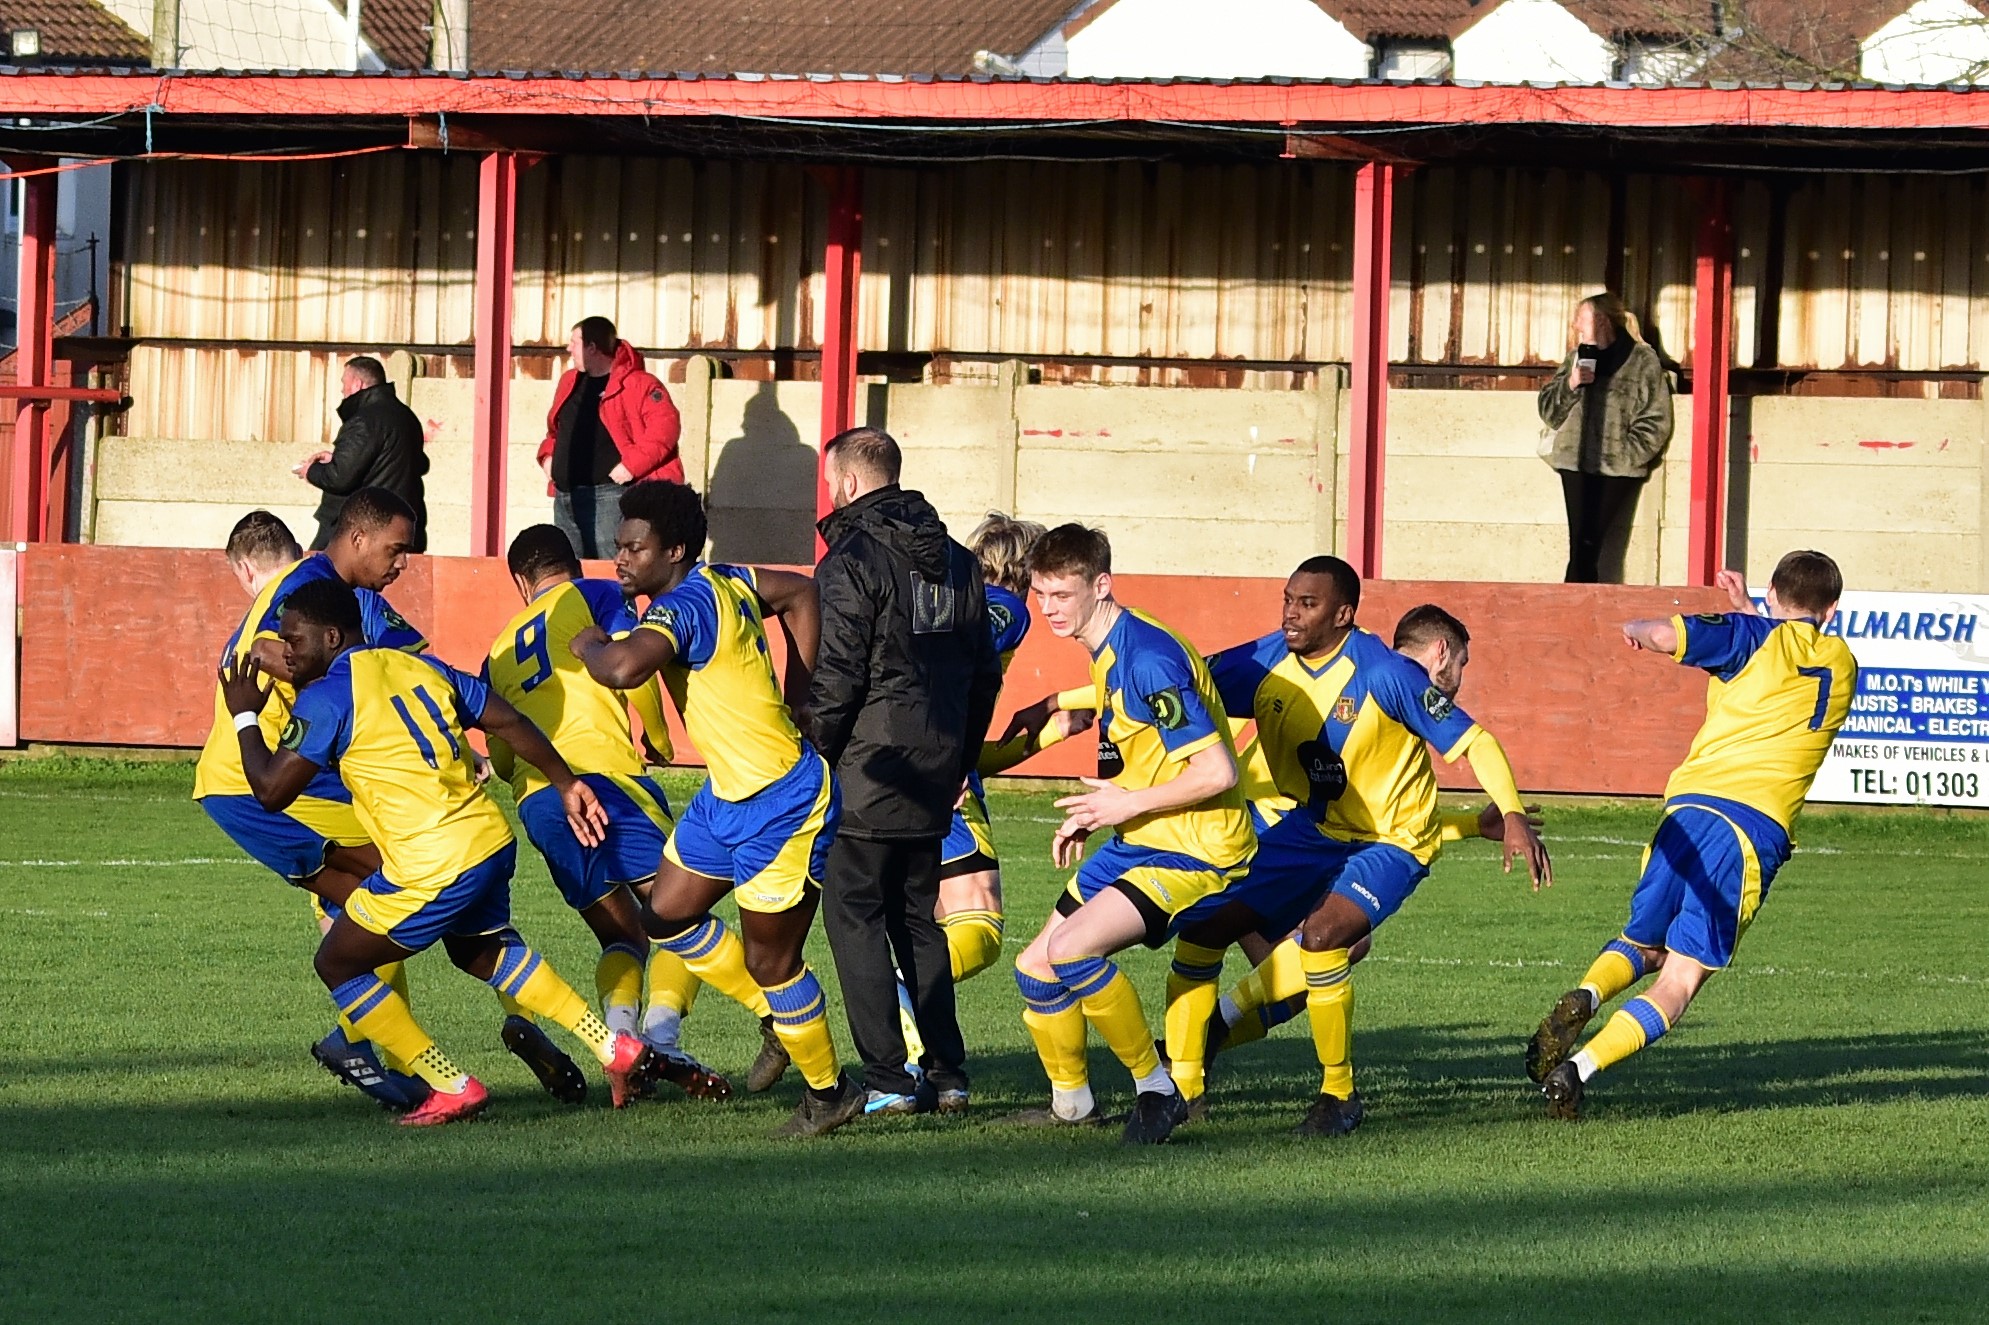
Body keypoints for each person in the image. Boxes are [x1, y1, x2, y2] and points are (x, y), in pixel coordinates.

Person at [221, 577, 649, 1127]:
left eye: (294, 641)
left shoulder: (328, 698)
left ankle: (451, 1085)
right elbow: (509, 721)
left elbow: (270, 791)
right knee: (479, 952)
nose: (287, 653)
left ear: (331, 637)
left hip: (433, 861)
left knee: (337, 962)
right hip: (487, 840)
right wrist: (565, 782)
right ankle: (612, 1046)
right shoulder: (423, 668)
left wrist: (244, 714)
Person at [1166, 587, 1550, 1136]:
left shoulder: (1386, 677)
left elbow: (1456, 759)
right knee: (1214, 928)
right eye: (1289, 600)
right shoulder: (1281, 662)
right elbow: (1176, 683)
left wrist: (1505, 815)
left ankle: (1332, 1093)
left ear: (1342, 614)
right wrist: (1088, 703)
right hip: (1294, 828)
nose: (1292, 612)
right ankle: (1181, 1083)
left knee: (1326, 941)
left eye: (1307, 602)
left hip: (1357, 840)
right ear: (1443, 651)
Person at [571, 480, 865, 1137]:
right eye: (618, 546)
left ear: (674, 551)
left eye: (634, 548)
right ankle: (780, 1019)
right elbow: (800, 592)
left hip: (784, 804)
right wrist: (802, 693)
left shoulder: (683, 608)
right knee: (664, 914)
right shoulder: (728, 579)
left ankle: (830, 1093)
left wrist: (587, 644)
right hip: (726, 796)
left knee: (773, 962)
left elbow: (620, 669)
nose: (620, 558)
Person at [1527, 550, 1855, 1119]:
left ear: (1772, 593)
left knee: (1644, 943)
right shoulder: (1843, 662)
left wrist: (1636, 628)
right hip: (1751, 829)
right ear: (1831, 609)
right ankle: (1578, 1070)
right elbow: (1784, 647)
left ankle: (1589, 993)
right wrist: (1748, 609)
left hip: (1687, 812)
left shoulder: (1747, 636)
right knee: (1680, 979)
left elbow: (1666, 634)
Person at [486, 524, 781, 1105]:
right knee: (678, 911)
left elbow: (499, 753)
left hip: (540, 801)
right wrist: (660, 736)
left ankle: (623, 1043)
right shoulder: (592, 593)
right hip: (606, 781)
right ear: (573, 563)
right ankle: (757, 1019)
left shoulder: (496, 650)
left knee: (623, 933)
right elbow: (630, 664)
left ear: (521, 580)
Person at [1005, 523, 1255, 1145]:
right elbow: (1141, 751)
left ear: (1101, 585)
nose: (1048, 608)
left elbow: (1217, 771)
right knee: (1035, 968)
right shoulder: (1110, 646)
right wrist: (1096, 812)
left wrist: (1126, 804)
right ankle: (1072, 1106)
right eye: (1040, 593)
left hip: (1196, 849)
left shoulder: (1147, 658)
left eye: (1062, 594)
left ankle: (1157, 1089)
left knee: (1070, 951)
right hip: (1142, 837)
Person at [192, 499, 430, 1111]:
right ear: (358, 538)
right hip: (259, 781)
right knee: (395, 887)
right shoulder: (308, 586)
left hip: (291, 778)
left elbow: (405, 661)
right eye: (396, 549)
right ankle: (375, 1047)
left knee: (380, 894)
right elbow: (262, 652)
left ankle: (379, 1052)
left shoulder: (336, 590)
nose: (402, 563)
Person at [802, 429, 1003, 1117]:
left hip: (871, 766)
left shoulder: (850, 560)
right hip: (934, 768)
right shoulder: (958, 560)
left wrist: (814, 755)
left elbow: (838, 676)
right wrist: (959, 757)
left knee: (853, 912)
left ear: (849, 483)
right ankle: (947, 1073)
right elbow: (984, 674)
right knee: (917, 918)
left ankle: (888, 1075)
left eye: (831, 483)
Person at [1537, 293, 1672, 584]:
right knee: (1582, 547)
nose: (1575, 325)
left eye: (1581, 318)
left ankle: (1574, 604)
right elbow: (1548, 411)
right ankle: (1579, 604)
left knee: (1588, 547)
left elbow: (1656, 418)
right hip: (1575, 463)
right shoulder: (1576, 357)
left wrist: (1626, 454)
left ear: (1601, 321)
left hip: (1617, 470)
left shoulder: (1642, 360)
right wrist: (1571, 384)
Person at [538, 316, 684, 559]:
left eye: (574, 342)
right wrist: (547, 457)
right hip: (565, 497)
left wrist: (631, 466)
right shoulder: (569, 381)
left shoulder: (639, 384)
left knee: (610, 567)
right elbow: (557, 429)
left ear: (592, 348)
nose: (568, 349)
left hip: (608, 496)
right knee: (570, 569)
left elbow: (665, 429)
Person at [295, 357, 430, 554]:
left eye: (344, 383)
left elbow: (339, 477)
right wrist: (336, 458)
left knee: (318, 570)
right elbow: (395, 463)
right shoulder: (406, 416)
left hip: (363, 528)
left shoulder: (364, 420)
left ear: (357, 384)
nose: (342, 390)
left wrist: (311, 471)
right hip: (405, 525)